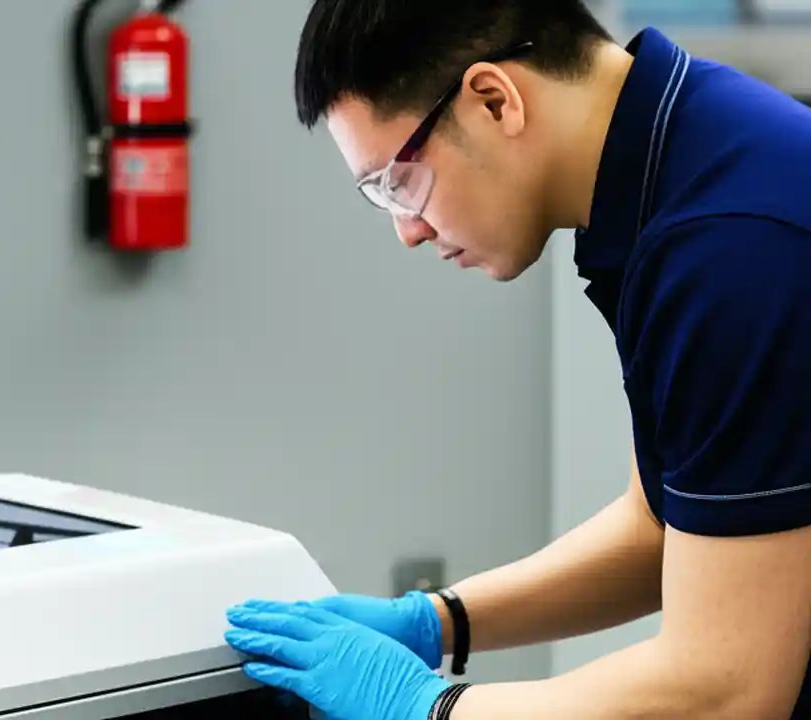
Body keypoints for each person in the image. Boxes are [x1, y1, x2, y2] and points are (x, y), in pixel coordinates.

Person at [223, 1, 811, 718]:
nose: (408, 231)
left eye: (399, 184)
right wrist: (437, 620)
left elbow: (727, 691)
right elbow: (661, 526)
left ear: (494, 101)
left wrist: (425, 706)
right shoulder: (683, 151)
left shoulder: (729, 250)